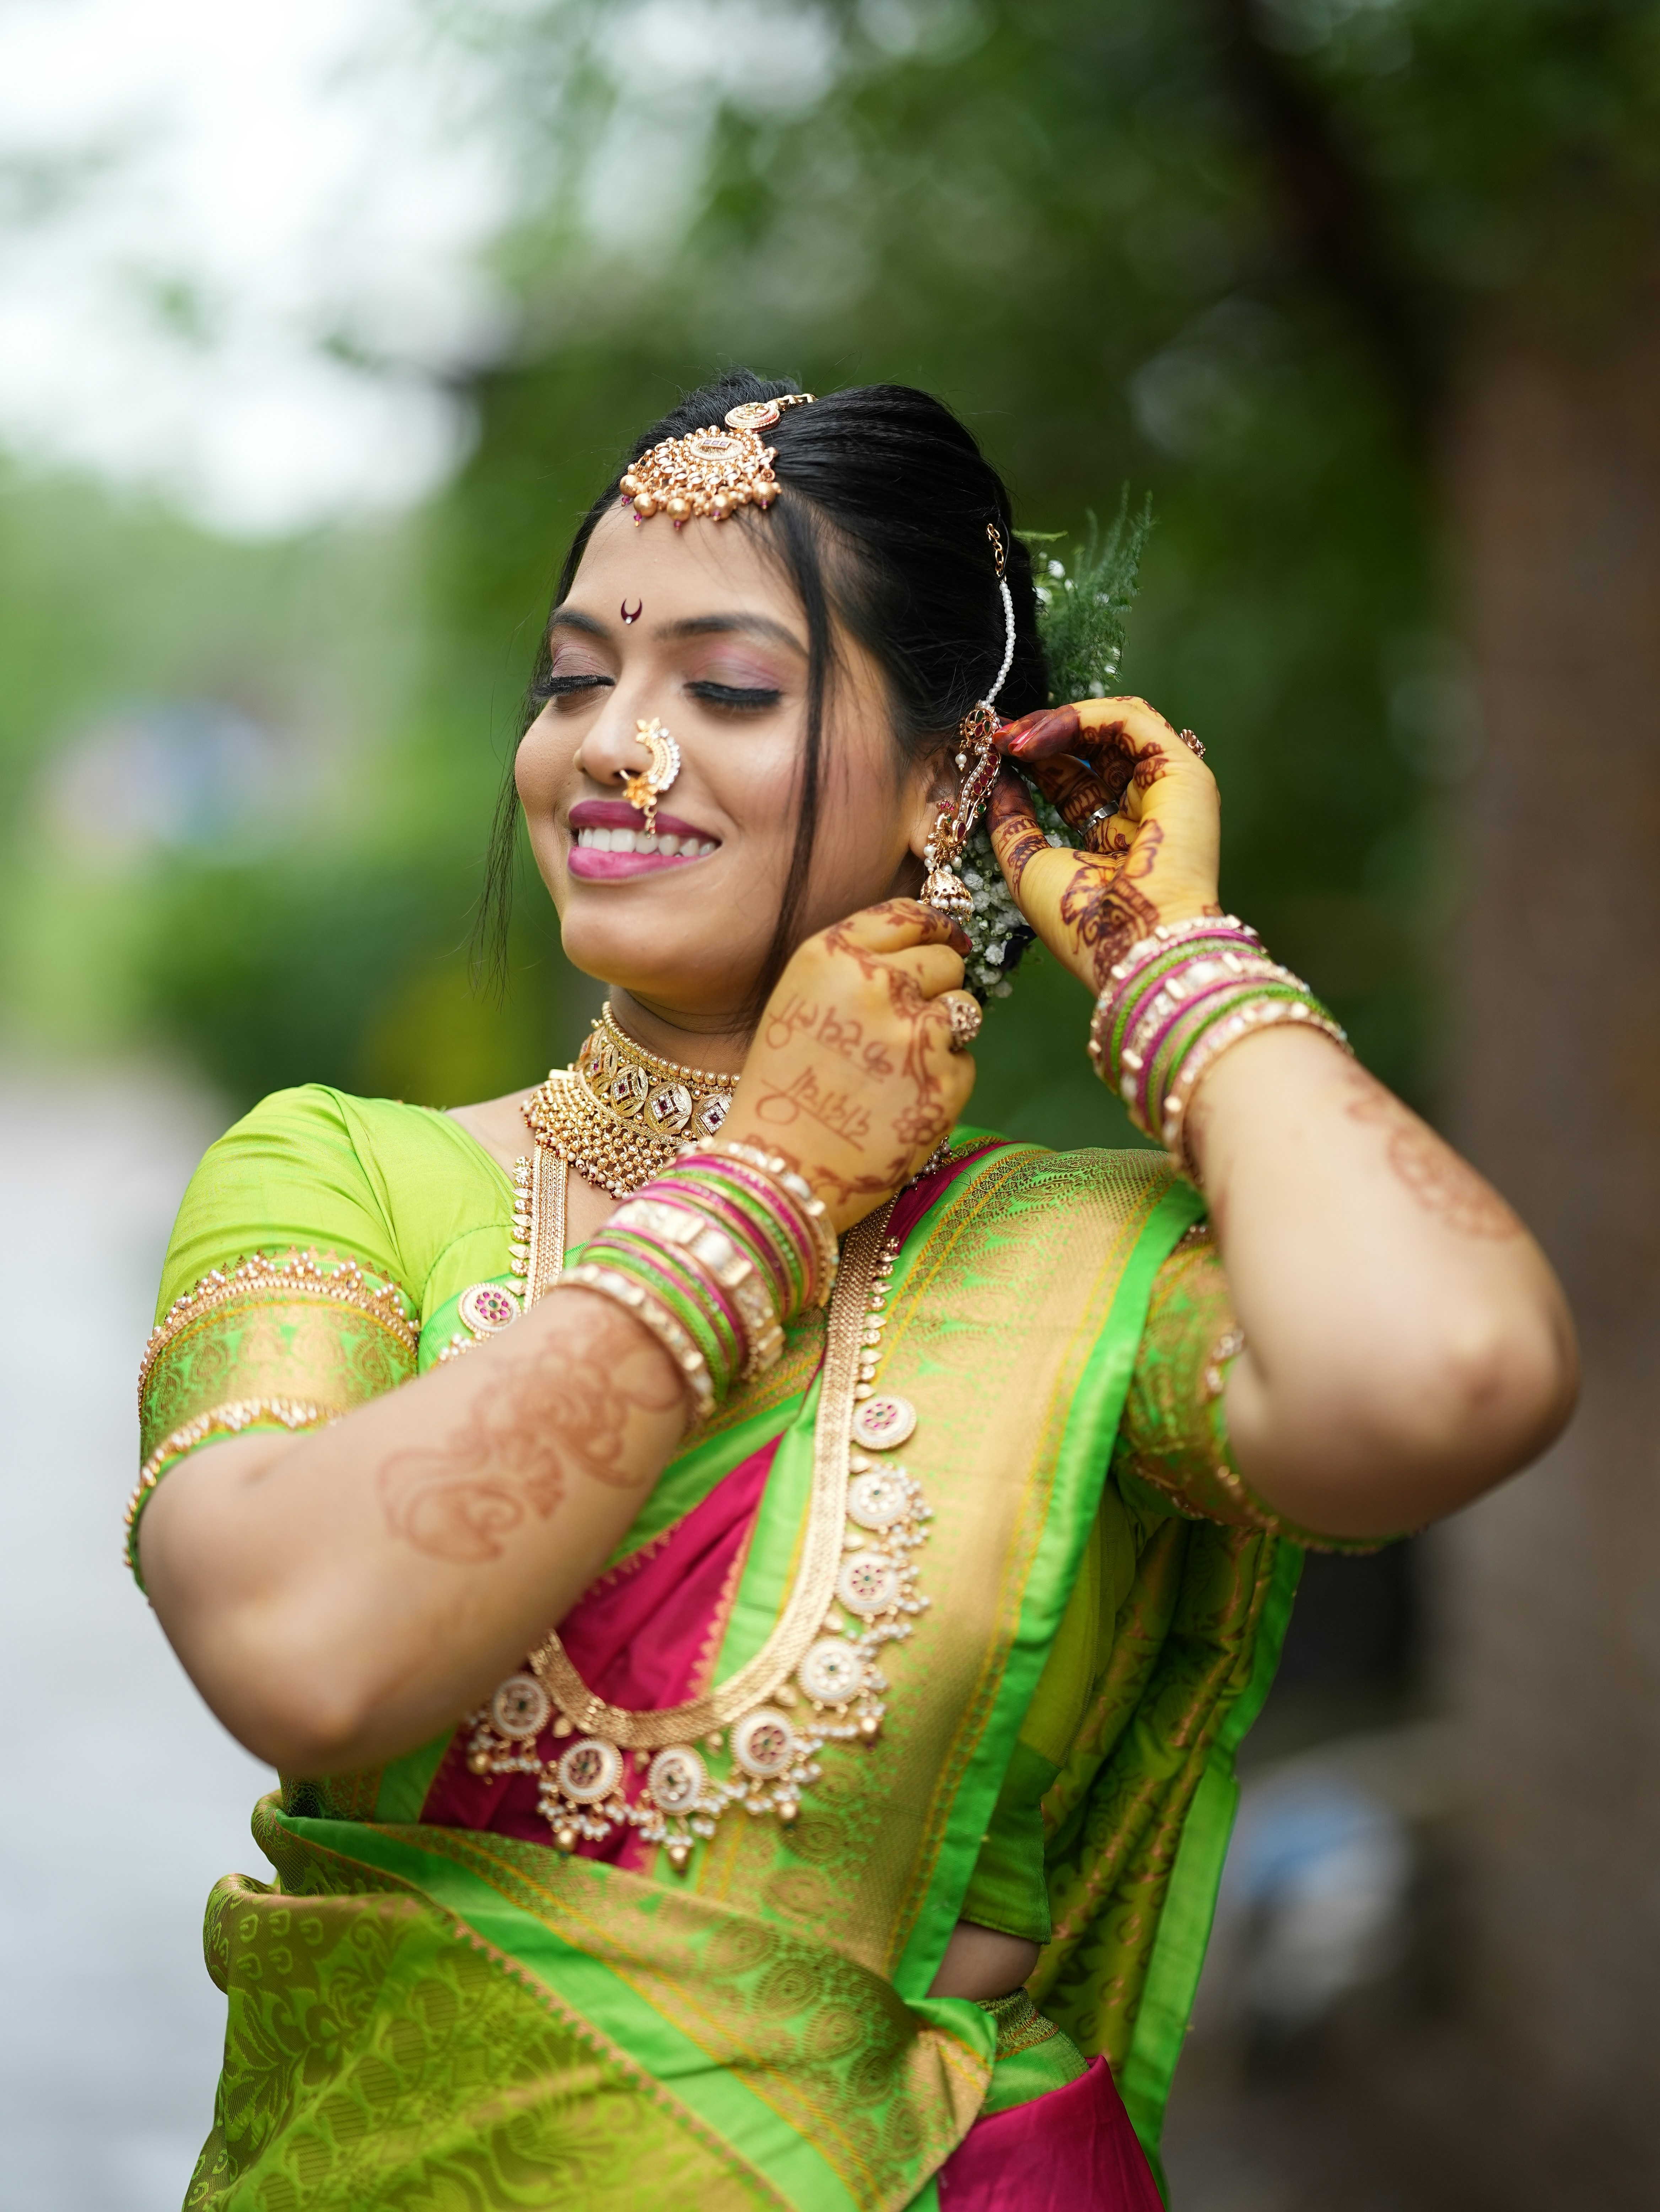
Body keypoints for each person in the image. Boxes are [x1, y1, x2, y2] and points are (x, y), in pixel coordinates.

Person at [131, 374, 1577, 2211]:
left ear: (950, 783)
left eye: (726, 689)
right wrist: (769, 1190)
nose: (614, 750)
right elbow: (298, 1645)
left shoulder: (1075, 1268)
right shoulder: (345, 1176)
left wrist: (1170, 961)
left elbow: (1454, 1368)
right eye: (578, 679)